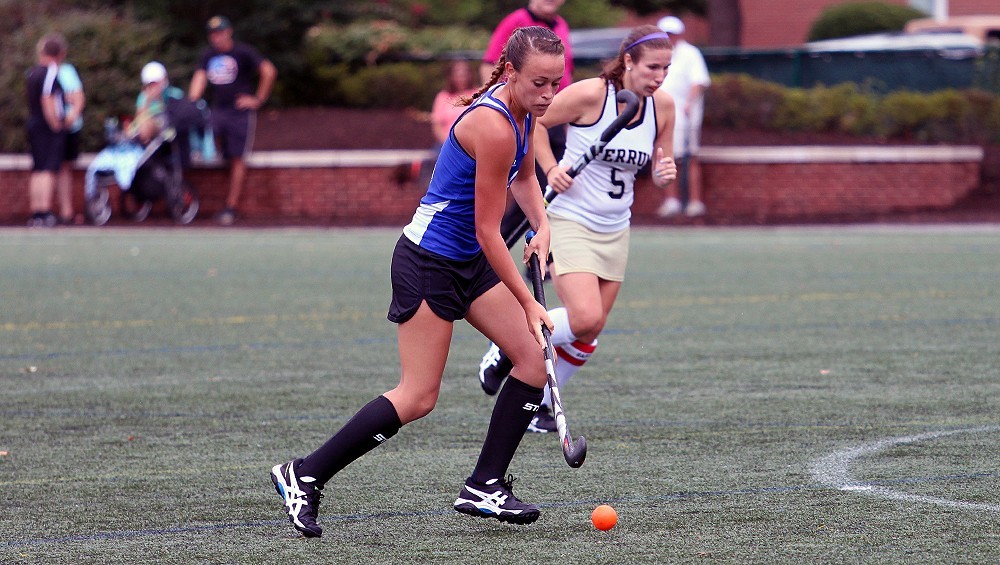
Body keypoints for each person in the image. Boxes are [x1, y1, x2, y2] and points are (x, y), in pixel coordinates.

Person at [269, 26, 565, 538]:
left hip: (468, 260)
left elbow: (522, 178)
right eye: (539, 83)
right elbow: (488, 231)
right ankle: (305, 473)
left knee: (534, 359)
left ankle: (485, 485)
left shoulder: (524, 113)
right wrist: (528, 301)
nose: (548, 95)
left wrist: (543, 225)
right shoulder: (493, 125)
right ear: (510, 72)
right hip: (429, 262)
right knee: (418, 396)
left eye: (555, 84)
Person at [478, 25, 677, 433]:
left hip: (616, 227)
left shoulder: (664, 106)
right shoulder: (592, 94)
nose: (659, 77)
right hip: (571, 219)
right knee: (584, 317)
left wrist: (663, 175)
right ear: (628, 61)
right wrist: (551, 168)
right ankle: (508, 344)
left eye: (666, 69)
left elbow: (662, 165)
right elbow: (535, 122)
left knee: (591, 329)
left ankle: (541, 408)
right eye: (652, 67)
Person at [482, 0, 574, 236]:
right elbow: (490, 62)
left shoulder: (561, 24)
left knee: (550, 186)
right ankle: (503, 238)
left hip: (550, 115)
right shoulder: (516, 20)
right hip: (521, 112)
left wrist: (565, 115)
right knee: (534, 186)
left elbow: (566, 74)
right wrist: (492, 106)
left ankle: (543, 242)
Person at [188, 15, 276, 225]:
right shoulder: (208, 55)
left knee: (237, 157)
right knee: (202, 140)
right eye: (212, 34)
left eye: (219, 32)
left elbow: (269, 71)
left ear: (229, 32)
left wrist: (258, 99)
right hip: (218, 111)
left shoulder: (243, 52)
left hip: (239, 113)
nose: (215, 37)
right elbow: (199, 80)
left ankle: (231, 206)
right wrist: (190, 104)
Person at [655, 15, 711, 218]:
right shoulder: (656, 53)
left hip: (686, 117)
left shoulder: (690, 53)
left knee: (690, 157)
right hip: (663, 115)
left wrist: (689, 103)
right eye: (665, 33)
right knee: (666, 157)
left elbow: (699, 81)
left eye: (672, 33)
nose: (669, 37)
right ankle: (671, 201)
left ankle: (695, 202)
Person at [25, 33, 68, 228]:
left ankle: (36, 212)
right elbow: (47, 97)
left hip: (34, 123)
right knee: (47, 169)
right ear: (60, 53)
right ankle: (44, 211)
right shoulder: (50, 71)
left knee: (37, 169)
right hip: (45, 125)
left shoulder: (32, 72)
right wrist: (55, 123)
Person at [57, 52, 85, 225]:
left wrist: (71, 118)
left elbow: (78, 98)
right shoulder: (41, 72)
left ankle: (66, 211)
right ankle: (45, 211)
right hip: (51, 129)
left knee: (66, 166)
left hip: (70, 127)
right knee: (50, 169)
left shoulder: (68, 71)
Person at [130, 62, 185, 144]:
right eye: (150, 84)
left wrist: (159, 97)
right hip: (153, 127)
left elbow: (178, 114)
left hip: (171, 124)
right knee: (144, 126)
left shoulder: (174, 93)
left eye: (155, 83)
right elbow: (139, 118)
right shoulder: (143, 97)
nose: (153, 87)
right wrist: (148, 100)